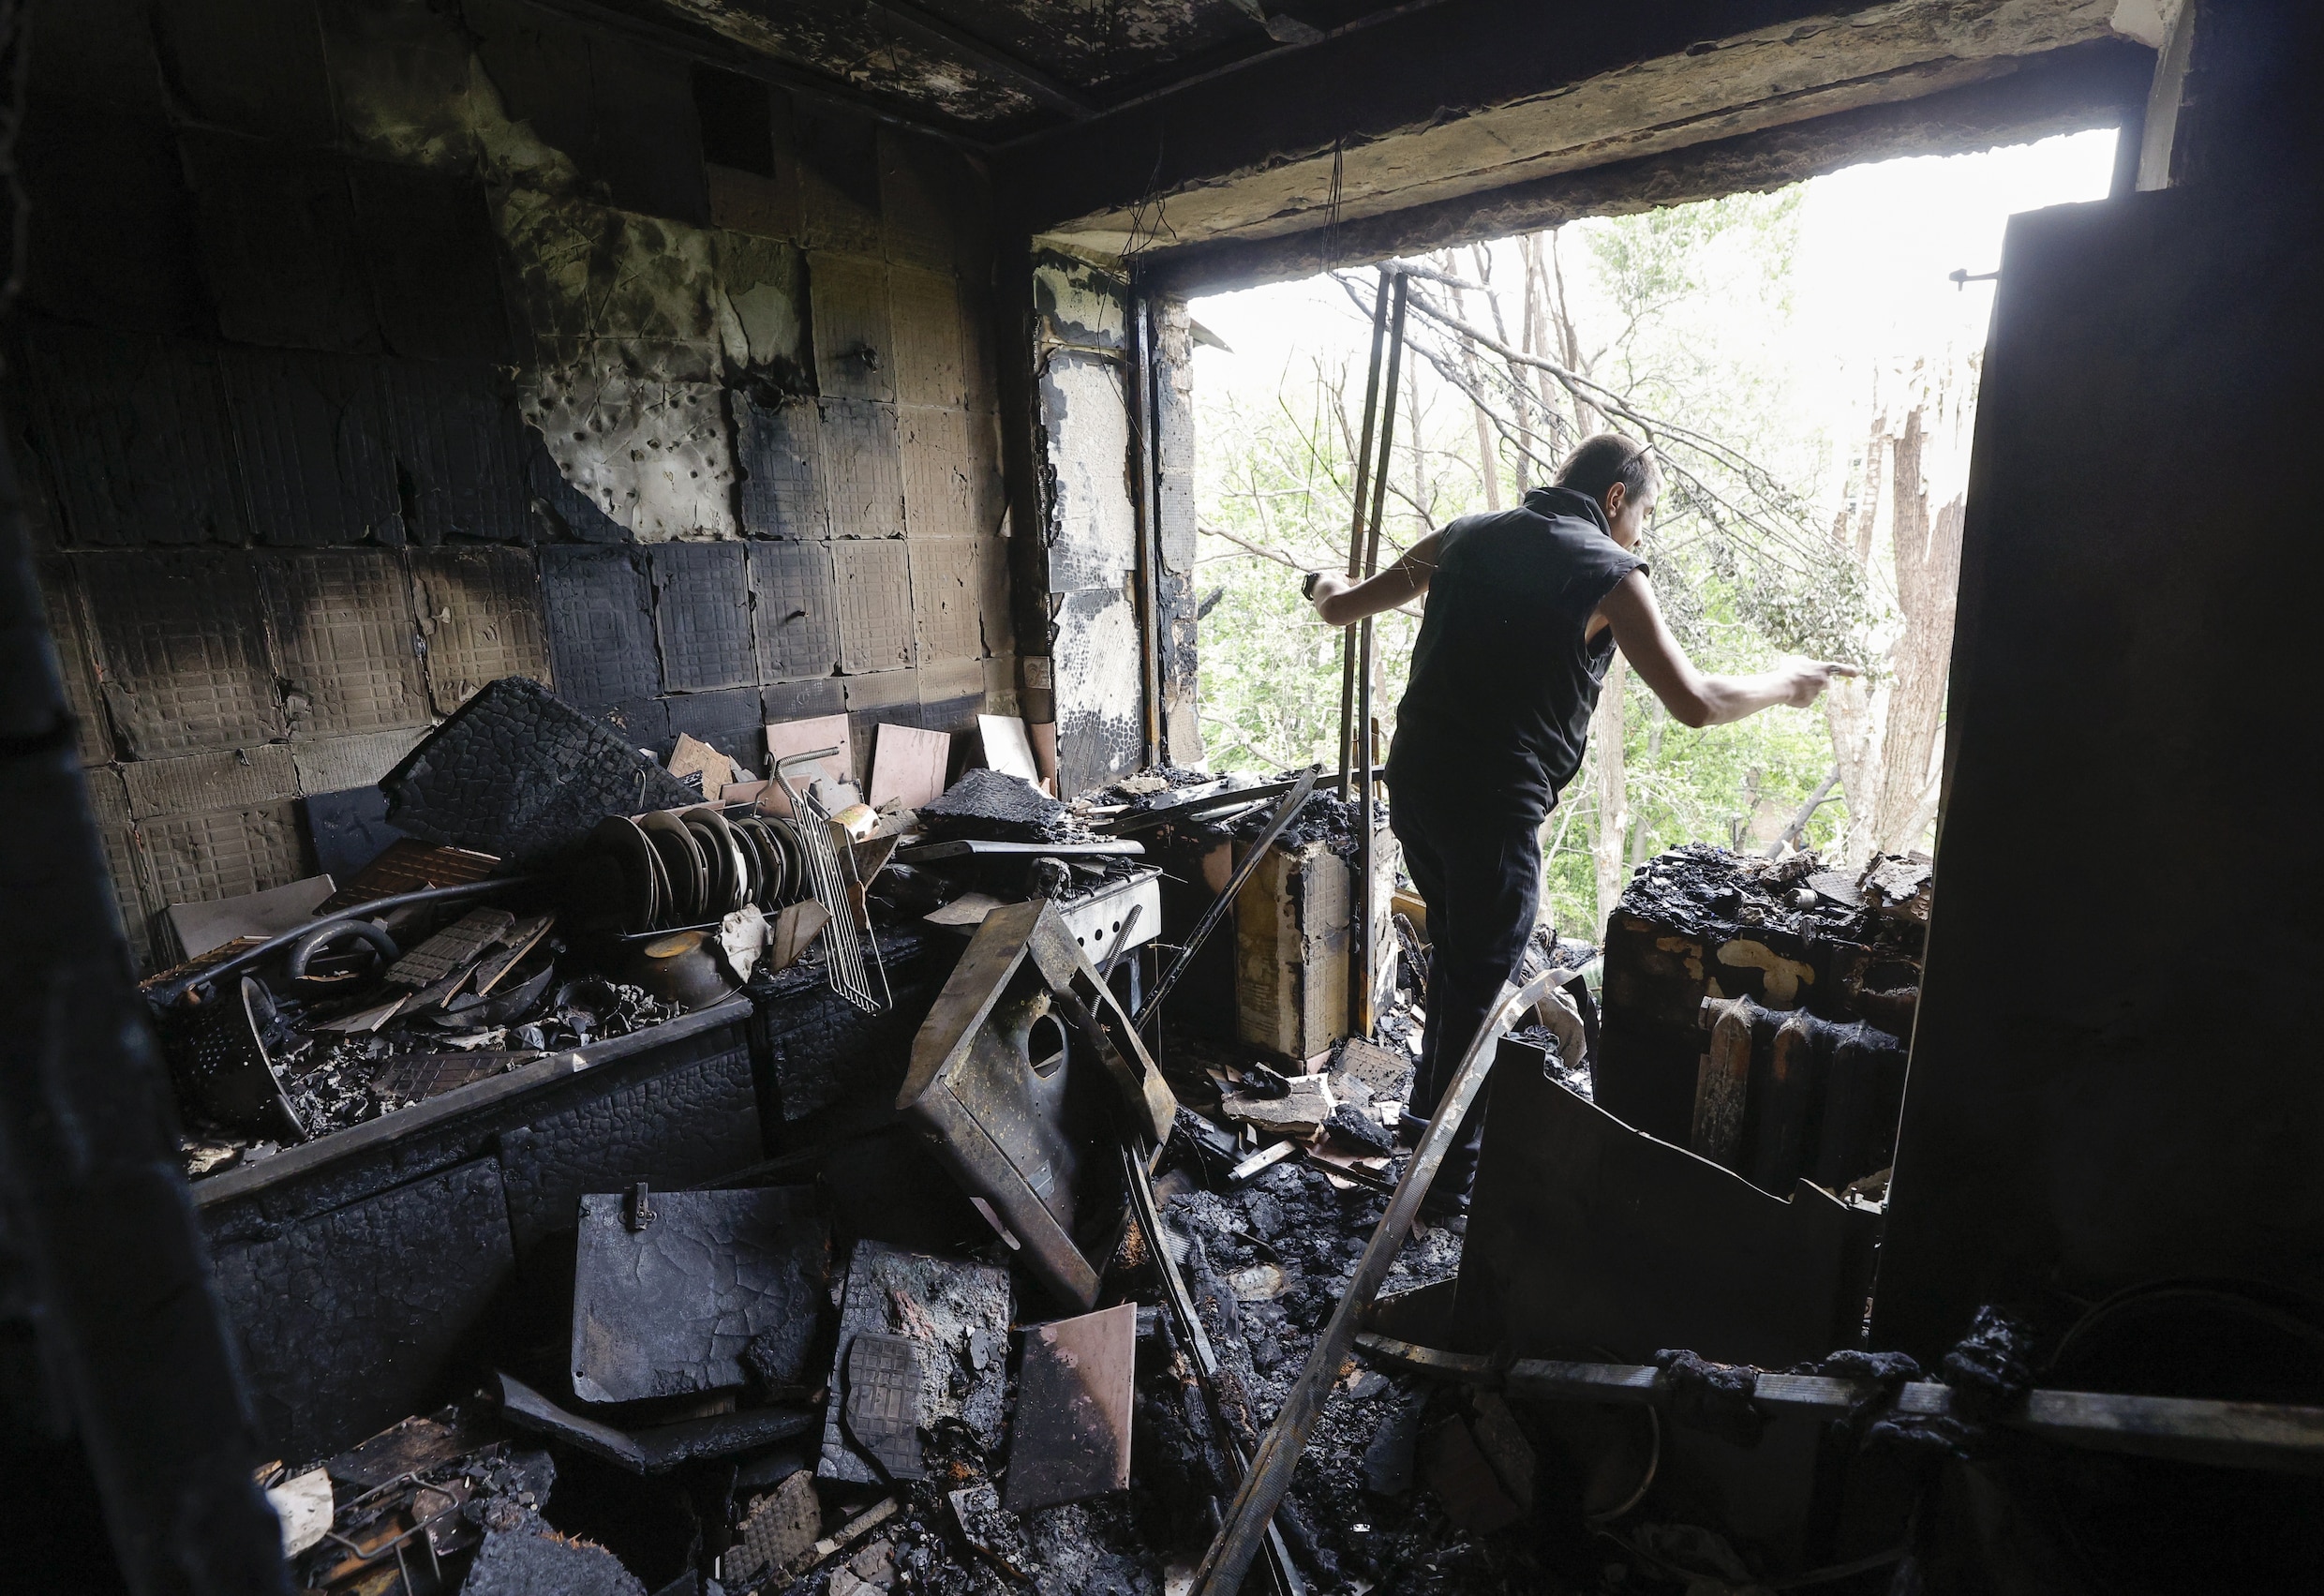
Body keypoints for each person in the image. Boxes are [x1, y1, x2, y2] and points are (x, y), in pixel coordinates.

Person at [1304, 433, 1855, 1214]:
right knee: (1478, 985)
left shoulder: (1463, 534)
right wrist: (1785, 683)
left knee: (1462, 957)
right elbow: (1696, 702)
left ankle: (1425, 1126)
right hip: (1495, 809)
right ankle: (1441, 1187)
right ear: (1615, 498)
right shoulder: (1609, 571)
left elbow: (1340, 606)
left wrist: (1323, 581)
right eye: (1644, 517)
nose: (1640, 536)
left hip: (1417, 790)